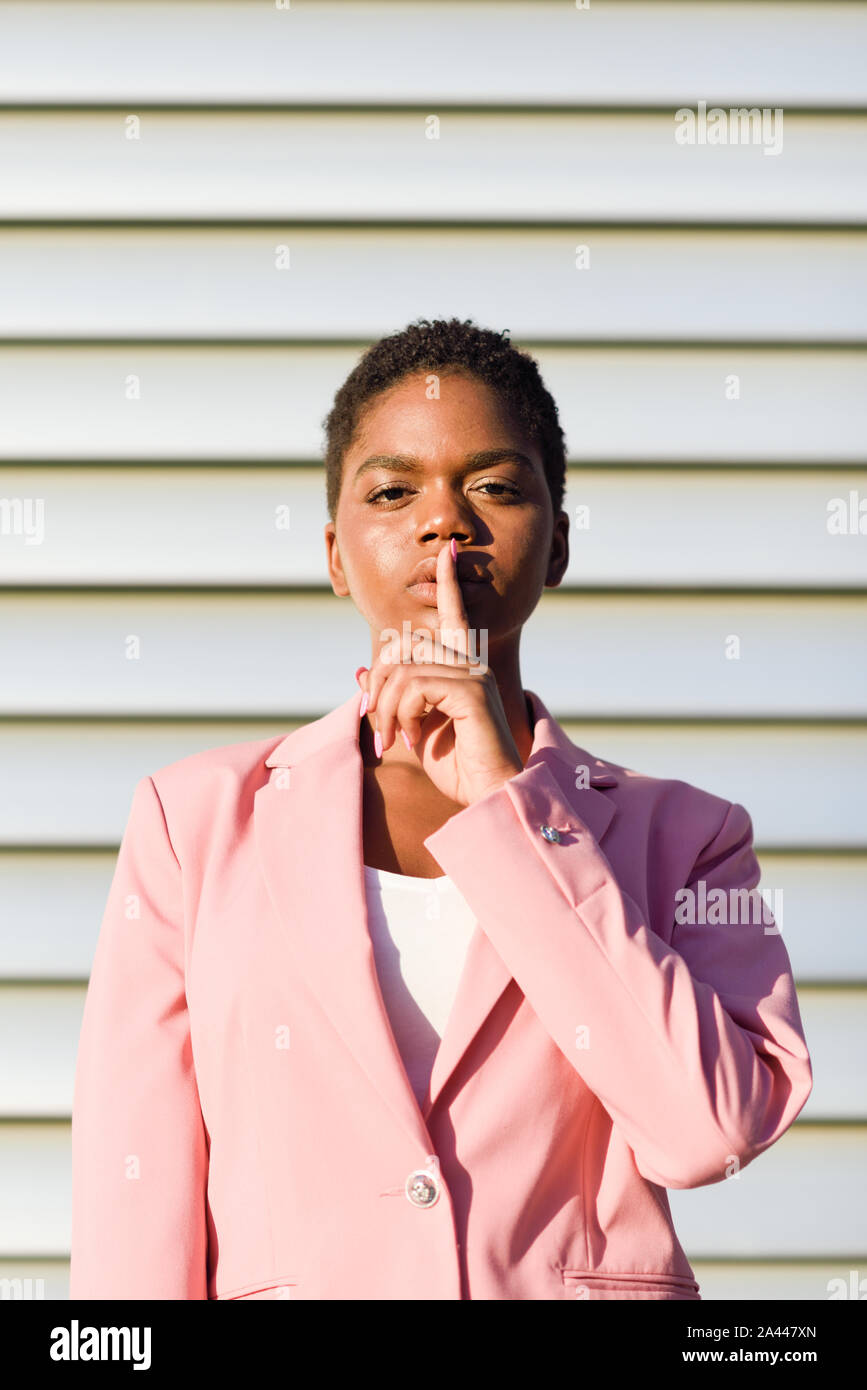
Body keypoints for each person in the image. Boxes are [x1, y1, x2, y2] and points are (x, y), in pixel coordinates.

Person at [70, 317, 812, 1300]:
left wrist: (513, 810)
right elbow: (131, 1219)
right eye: (393, 492)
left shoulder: (692, 837)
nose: (444, 523)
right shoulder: (191, 824)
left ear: (557, 545)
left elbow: (707, 1131)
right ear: (336, 556)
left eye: (495, 487)